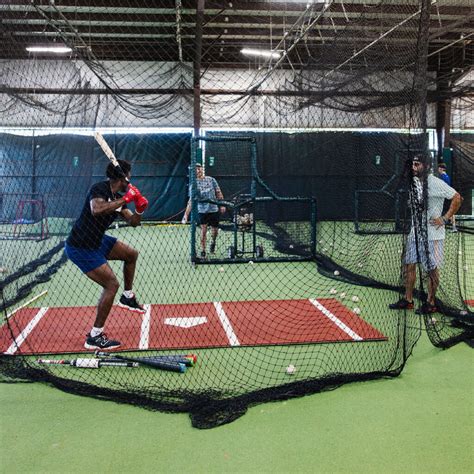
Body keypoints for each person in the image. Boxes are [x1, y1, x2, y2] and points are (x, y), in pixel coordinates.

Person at [65, 160, 149, 350]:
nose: (131, 178)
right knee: (111, 284)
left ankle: (127, 296)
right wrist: (126, 199)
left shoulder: (117, 197)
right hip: (81, 246)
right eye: (129, 175)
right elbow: (97, 209)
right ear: (122, 177)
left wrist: (139, 208)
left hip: (98, 240)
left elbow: (133, 222)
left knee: (131, 254)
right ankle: (94, 336)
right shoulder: (99, 189)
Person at [389, 155, 462, 314]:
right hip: (415, 233)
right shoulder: (414, 182)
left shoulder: (435, 182)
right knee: (409, 265)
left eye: (417, 164)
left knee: (432, 270)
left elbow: (457, 197)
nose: (413, 167)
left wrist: (444, 218)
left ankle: (431, 302)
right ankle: (408, 299)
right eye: (412, 164)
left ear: (426, 166)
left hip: (433, 235)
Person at [181, 163, 225, 258]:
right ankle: (203, 250)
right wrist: (186, 215)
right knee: (203, 230)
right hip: (202, 211)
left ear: (202, 169)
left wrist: (222, 205)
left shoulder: (211, 180)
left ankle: (213, 242)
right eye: (196, 169)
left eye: (199, 168)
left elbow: (218, 192)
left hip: (213, 209)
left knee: (215, 231)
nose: (198, 171)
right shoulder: (193, 184)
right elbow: (191, 201)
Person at [437, 162, 457, 232]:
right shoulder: (447, 176)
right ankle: (454, 227)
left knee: (443, 212)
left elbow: (441, 187)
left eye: (438, 169)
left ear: (441, 169)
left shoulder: (442, 177)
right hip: (448, 196)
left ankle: (443, 227)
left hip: (444, 197)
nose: (438, 170)